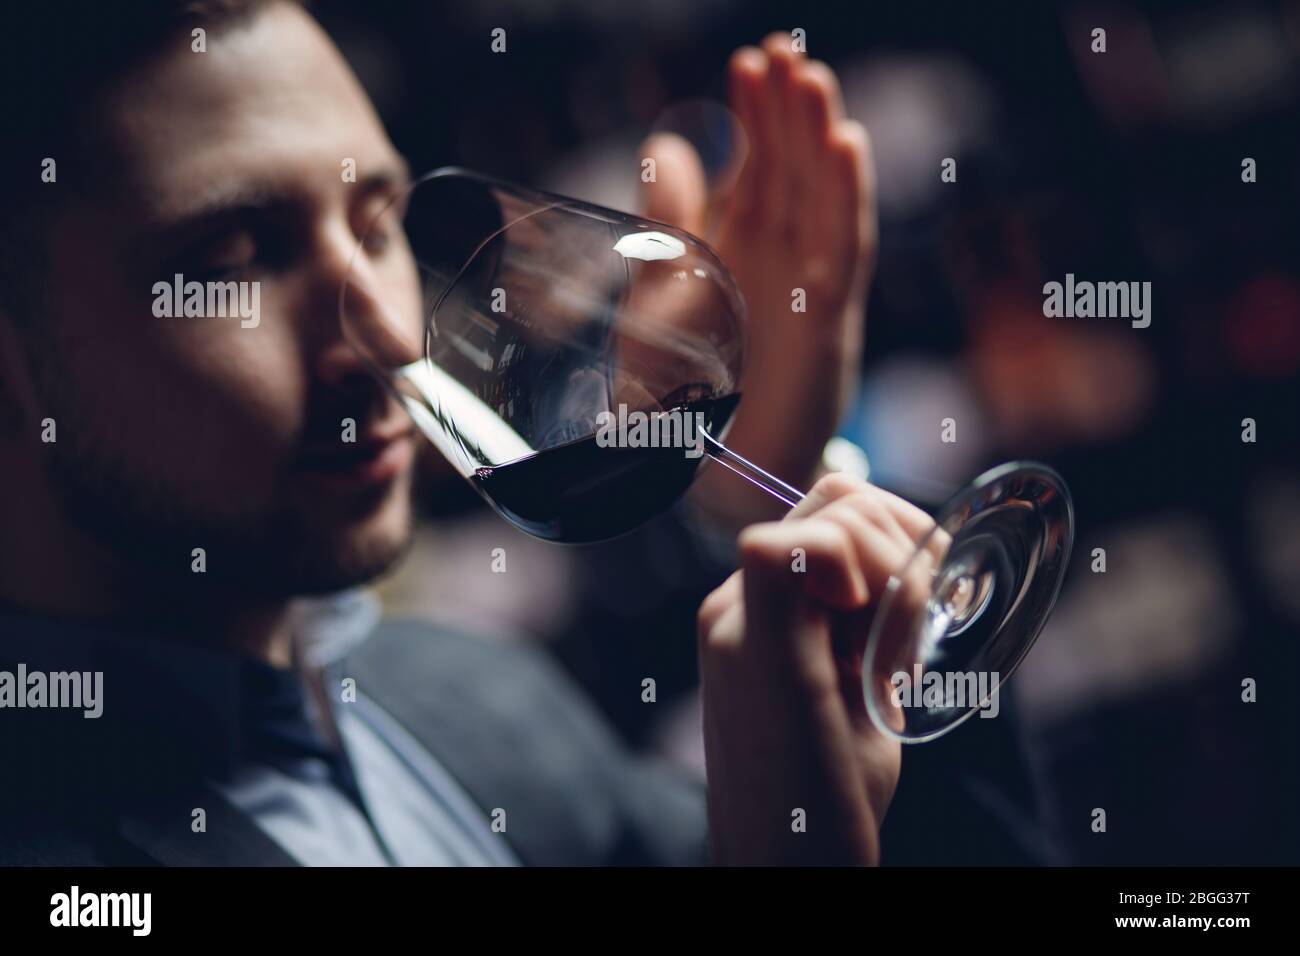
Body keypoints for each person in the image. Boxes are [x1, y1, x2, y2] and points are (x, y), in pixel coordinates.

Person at [0, 0, 1001, 866]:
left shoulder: (469, 693)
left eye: (377, 224)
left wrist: (767, 489)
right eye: (232, 256)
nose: (391, 334)